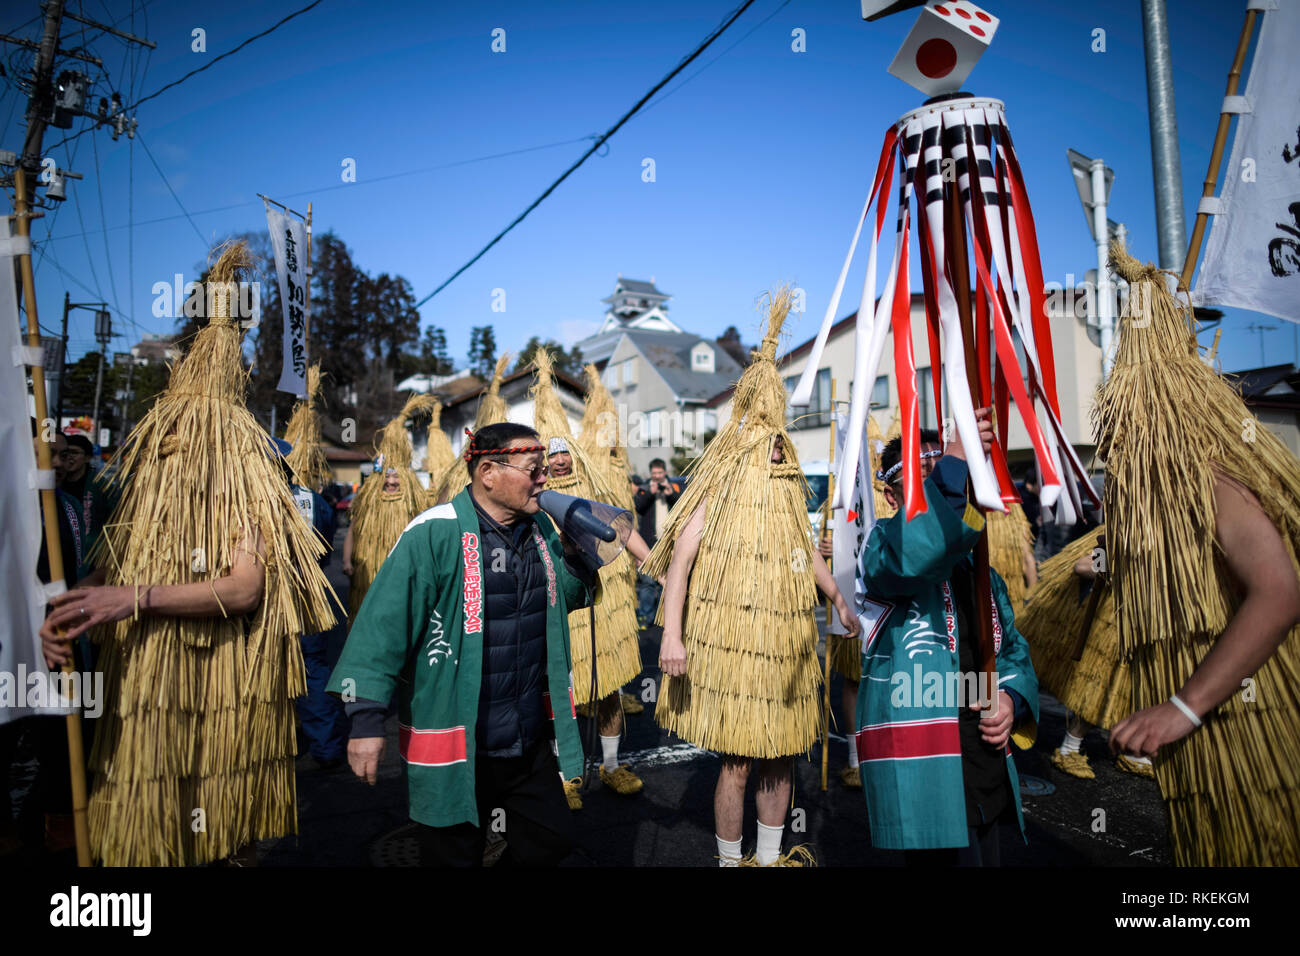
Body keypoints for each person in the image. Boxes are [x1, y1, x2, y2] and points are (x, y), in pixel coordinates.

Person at [39, 242, 336, 866]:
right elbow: (110, 568)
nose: (174, 445)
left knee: (217, 833)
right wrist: (68, 609)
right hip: (143, 688)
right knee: (143, 827)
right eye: (168, 434)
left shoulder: (246, 488)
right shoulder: (146, 492)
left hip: (217, 688)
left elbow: (243, 588)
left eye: (182, 435)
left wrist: (135, 599)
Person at [1099, 246, 1300, 865]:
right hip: (1204, 748)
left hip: (1247, 728)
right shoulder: (1158, 484)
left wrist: (1184, 706)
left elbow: (1280, 591)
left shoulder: (1208, 472)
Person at [646, 289, 860, 866]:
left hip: (785, 641)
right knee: (738, 760)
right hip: (735, 644)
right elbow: (681, 559)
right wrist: (672, 636)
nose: (770, 439)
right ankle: (727, 861)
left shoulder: (788, 474)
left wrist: (837, 598)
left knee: (782, 754)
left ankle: (768, 859)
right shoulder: (719, 476)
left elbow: (802, 551)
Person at [328, 422, 597, 867]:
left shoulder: (542, 532)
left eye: (543, 469)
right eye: (533, 470)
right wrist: (364, 723)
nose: (544, 479)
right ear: (488, 471)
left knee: (551, 840)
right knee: (453, 857)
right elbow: (381, 629)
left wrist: (577, 557)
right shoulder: (432, 534)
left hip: (526, 737)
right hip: (457, 739)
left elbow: (564, 600)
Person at [856, 409, 1040, 866]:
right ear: (890, 492)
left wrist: (1011, 699)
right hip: (924, 743)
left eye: (943, 480)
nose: (941, 491)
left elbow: (1012, 649)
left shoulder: (981, 569)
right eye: (924, 482)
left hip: (980, 742)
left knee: (984, 856)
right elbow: (914, 554)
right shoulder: (880, 549)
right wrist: (956, 458)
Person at [633, 458, 681, 624]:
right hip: (648, 545)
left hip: (668, 545)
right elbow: (636, 507)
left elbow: (682, 507)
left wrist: (670, 495)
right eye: (654, 473)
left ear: (665, 472)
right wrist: (649, 494)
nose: (658, 476)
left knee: (668, 581)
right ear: (651, 473)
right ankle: (646, 616)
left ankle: (665, 616)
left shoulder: (673, 486)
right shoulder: (645, 488)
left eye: (660, 473)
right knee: (647, 582)